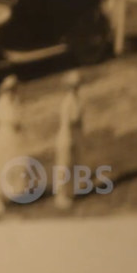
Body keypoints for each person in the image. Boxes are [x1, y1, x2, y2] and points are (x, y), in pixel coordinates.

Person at [0, 75, 24, 213]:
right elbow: (9, 120)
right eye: (10, 89)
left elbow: (19, 117)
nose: (12, 92)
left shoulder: (16, 101)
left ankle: (14, 193)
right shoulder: (2, 103)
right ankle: (1, 196)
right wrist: (16, 124)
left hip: (14, 138)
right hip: (5, 136)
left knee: (15, 163)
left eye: (14, 89)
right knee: (3, 163)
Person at [54, 71, 84, 209]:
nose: (75, 87)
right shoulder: (67, 102)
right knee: (64, 165)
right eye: (73, 85)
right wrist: (71, 138)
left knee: (73, 163)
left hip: (75, 135)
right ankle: (61, 196)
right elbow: (68, 122)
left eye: (77, 85)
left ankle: (70, 192)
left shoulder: (77, 99)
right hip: (67, 136)